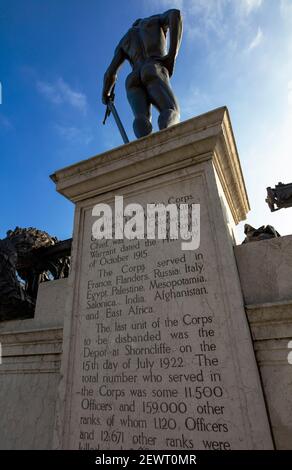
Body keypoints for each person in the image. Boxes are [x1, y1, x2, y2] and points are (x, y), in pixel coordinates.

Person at [102, 9, 183, 138]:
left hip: (133, 79)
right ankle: (167, 142)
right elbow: (175, 14)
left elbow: (110, 73)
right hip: (153, 68)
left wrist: (105, 94)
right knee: (171, 110)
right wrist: (172, 55)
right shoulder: (153, 21)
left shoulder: (125, 40)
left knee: (141, 118)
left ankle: (145, 149)